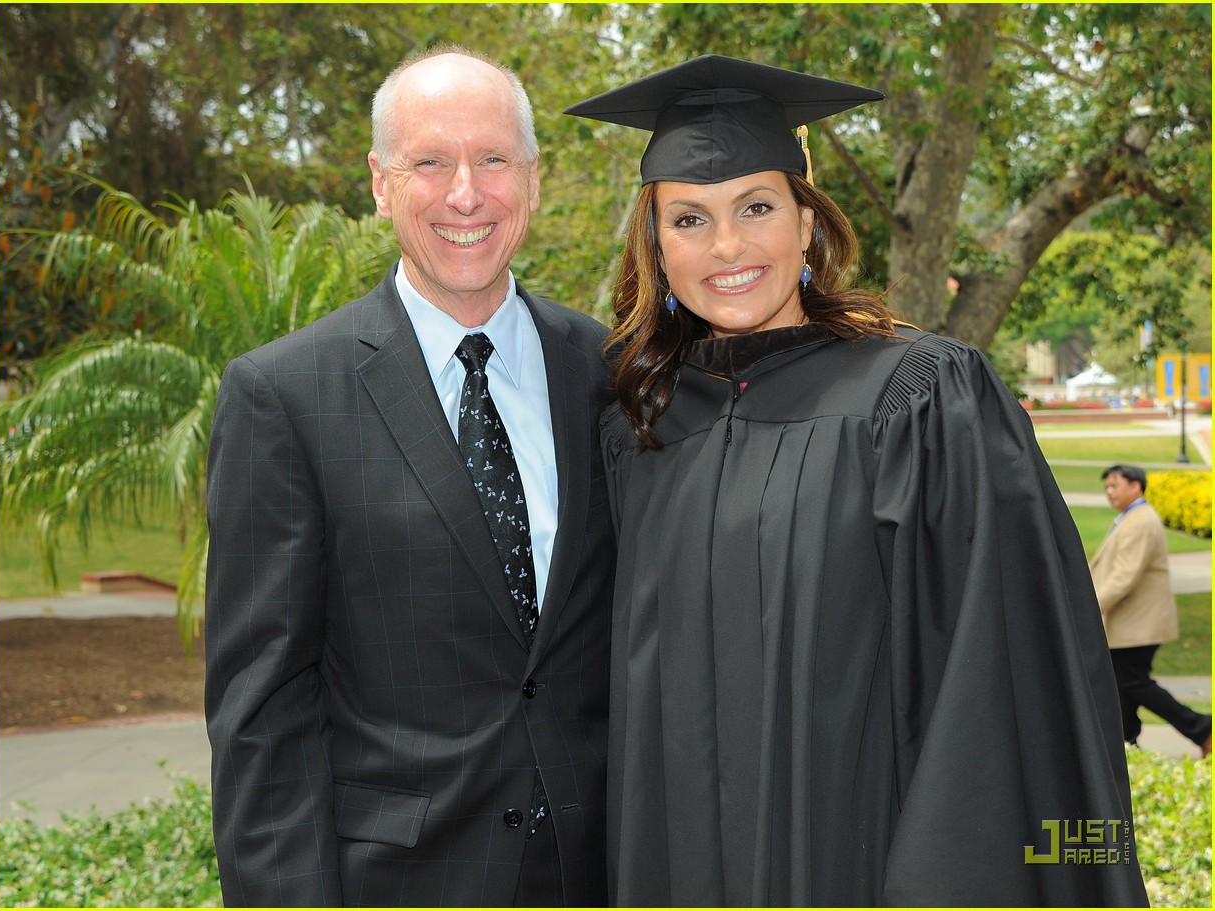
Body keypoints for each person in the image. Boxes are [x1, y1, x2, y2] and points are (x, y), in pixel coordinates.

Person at [567, 55, 1148, 906]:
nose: (726, 247)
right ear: (657, 246)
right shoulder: (637, 429)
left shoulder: (921, 398)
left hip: (864, 869)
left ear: (806, 223)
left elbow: (1003, 672)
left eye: (757, 207)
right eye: (689, 219)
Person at [205, 46, 614, 907]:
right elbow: (262, 713)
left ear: (533, 179)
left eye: (493, 158)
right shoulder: (285, 395)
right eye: (430, 162)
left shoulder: (609, 371)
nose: (466, 194)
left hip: (602, 871)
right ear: (381, 184)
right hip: (398, 882)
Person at [1090, 464, 1212, 756]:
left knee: (1132, 683)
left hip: (1137, 624)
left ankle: (1202, 728)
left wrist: (1091, 607)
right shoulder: (1132, 518)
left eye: (1115, 485)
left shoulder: (1140, 521)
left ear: (1136, 487)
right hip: (1131, 624)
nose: (1109, 492)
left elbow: (1125, 575)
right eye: (1107, 487)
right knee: (1124, 686)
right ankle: (1126, 744)